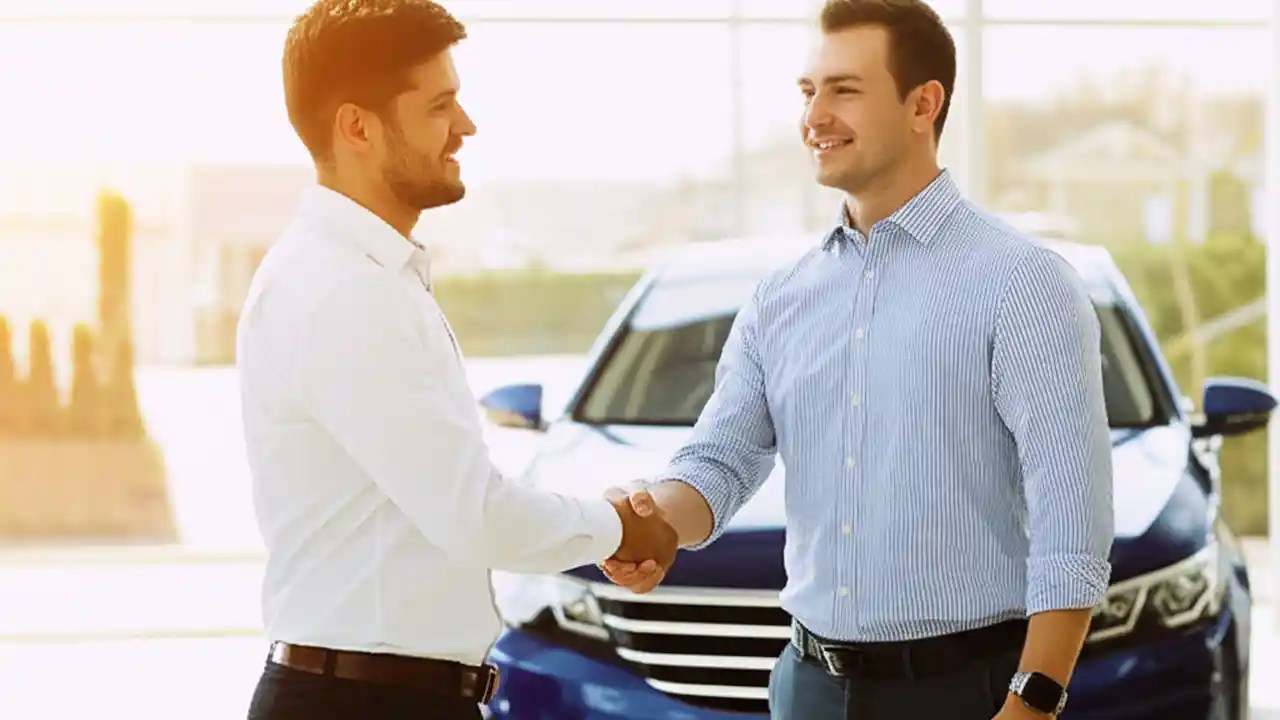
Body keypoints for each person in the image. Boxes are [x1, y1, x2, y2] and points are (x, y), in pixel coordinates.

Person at [602, 1, 1114, 718]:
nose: (814, 116)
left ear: (922, 103)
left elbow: (1073, 516)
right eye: (808, 92)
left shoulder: (1022, 283)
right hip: (808, 686)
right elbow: (719, 464)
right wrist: (650, 525)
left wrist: (1033, 700)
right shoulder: (781, 297)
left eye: (843, 90)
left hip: (966, 691)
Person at [236, 2, 677, 718]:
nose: (465, 126)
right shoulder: (344, 291)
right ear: (358, 127)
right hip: (360, 703)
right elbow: (476, 517)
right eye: (440, 104)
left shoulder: (358, 276)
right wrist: (622, 526)